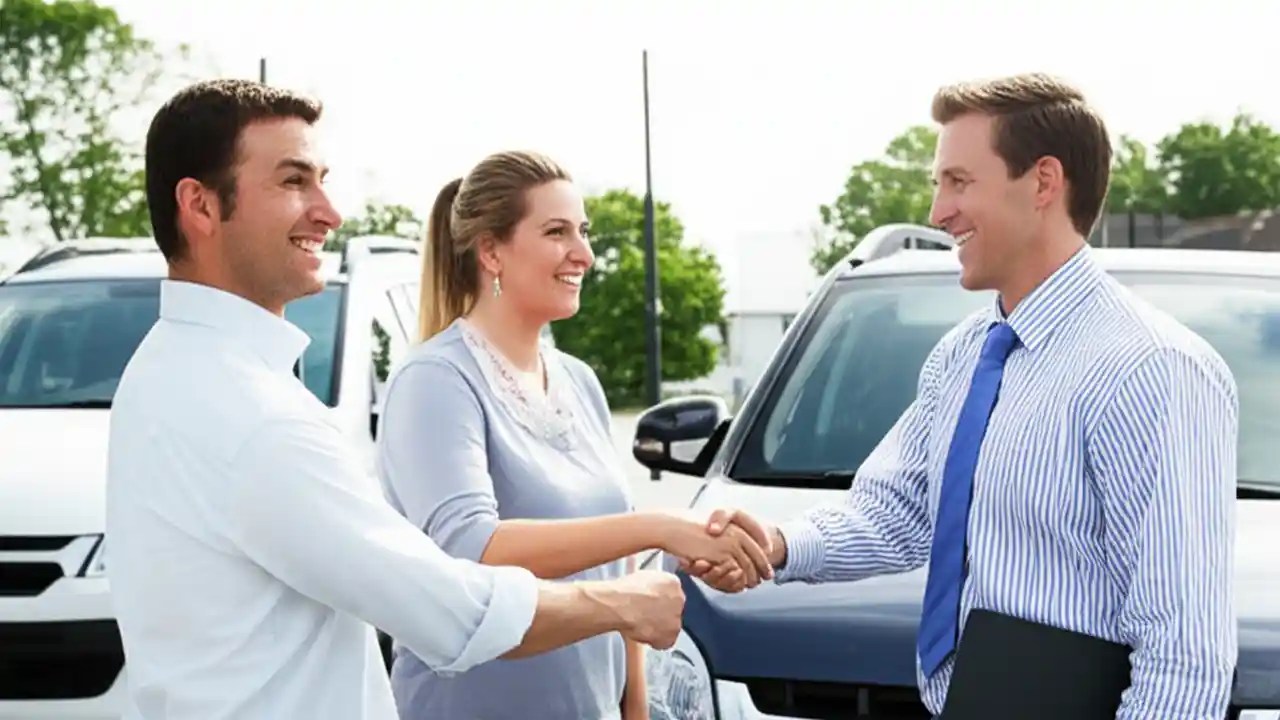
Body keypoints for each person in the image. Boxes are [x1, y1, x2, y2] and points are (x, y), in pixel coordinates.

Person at [105, 79, 687, 720]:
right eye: (294, 181)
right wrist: (624, 602)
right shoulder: (252, 413)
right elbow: (451, 612)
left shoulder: (168, 370)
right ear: (202, 206)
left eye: (322, 179)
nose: (330, 210)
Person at [693, 73, 1239, 718]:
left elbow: (1183, 650)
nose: (937, 213)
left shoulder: (1153, 370)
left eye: (959, 182)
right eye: (938, 185)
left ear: (1042, 182)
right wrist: (778, 545)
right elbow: (900, 512)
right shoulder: (963, 355)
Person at [375, 150, 774, 720]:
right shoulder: (435, 380)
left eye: (583, 231)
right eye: (556, 231)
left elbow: (624, 578)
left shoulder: (579, 381)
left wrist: (634, 709)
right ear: (490, 250)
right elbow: (469, 549)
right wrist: (662, 526)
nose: (583, 254)